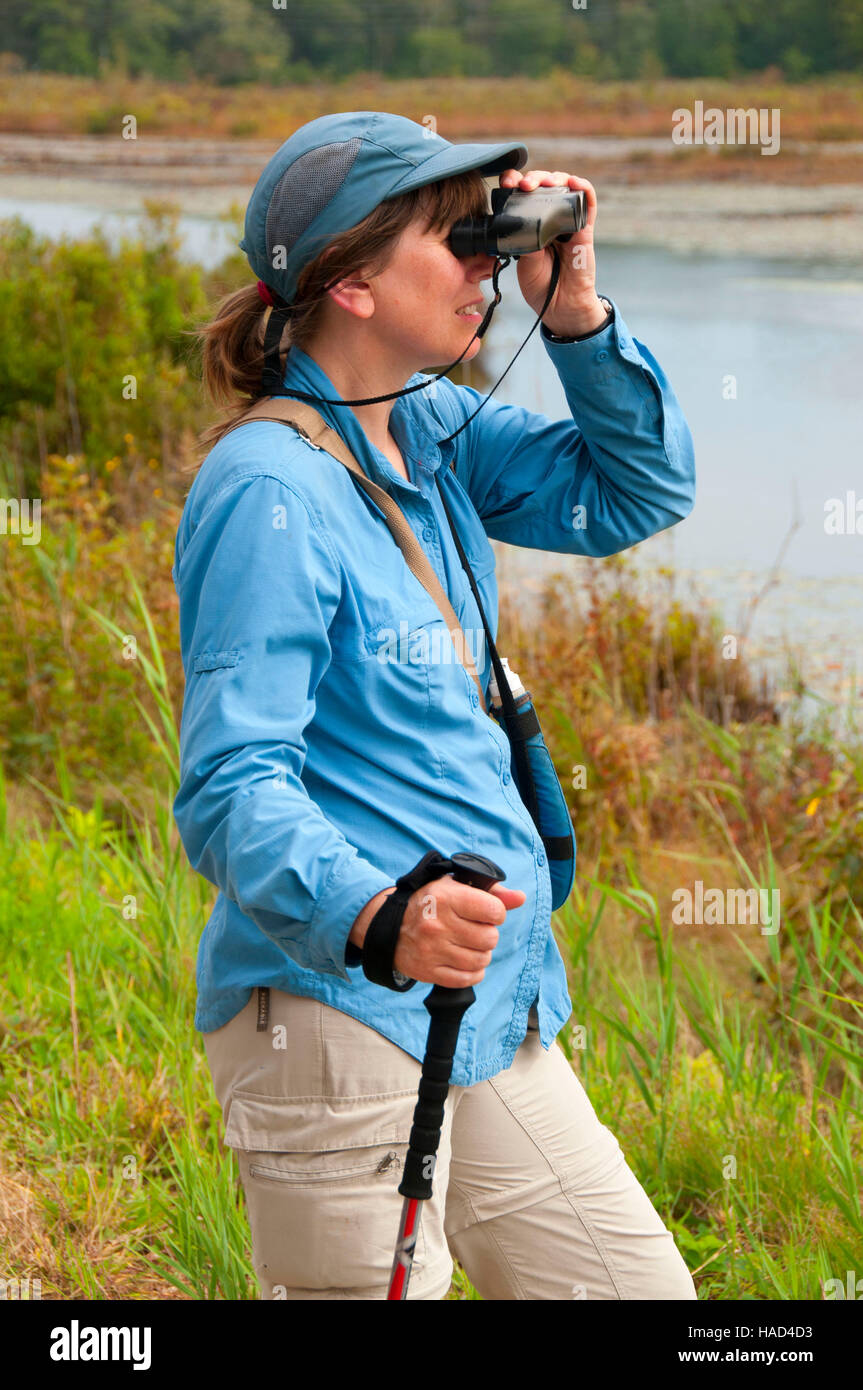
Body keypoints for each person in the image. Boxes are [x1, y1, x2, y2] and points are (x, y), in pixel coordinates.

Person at [172, 110, 698, 1300]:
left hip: (487, 1003)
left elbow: (633, 494)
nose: (484, 263)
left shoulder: (432, 427)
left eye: (487, 233)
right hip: (334, 1010)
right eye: (455, 238)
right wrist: (376, 914)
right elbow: (228, 787)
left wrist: (572, 316)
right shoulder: (267, 487)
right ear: (351, 283)